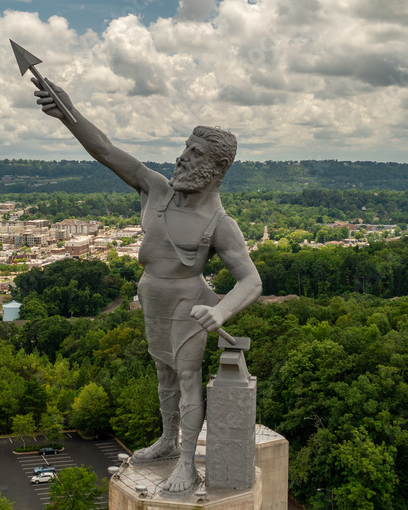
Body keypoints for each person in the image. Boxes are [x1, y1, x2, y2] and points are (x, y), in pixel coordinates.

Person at [30, 78, 262, 492]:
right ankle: (168, 441)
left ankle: (187, 463)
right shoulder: (156, 188)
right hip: (151, 295)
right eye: (185, 148)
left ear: (216, 167)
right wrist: (68, 114)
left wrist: (220, 310)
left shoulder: (220, 225)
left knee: (188, 378)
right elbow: (104, 150)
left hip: (186, 303)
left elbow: (251, 280)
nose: (181, 158)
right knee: (164, 374)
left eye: (194, 154)